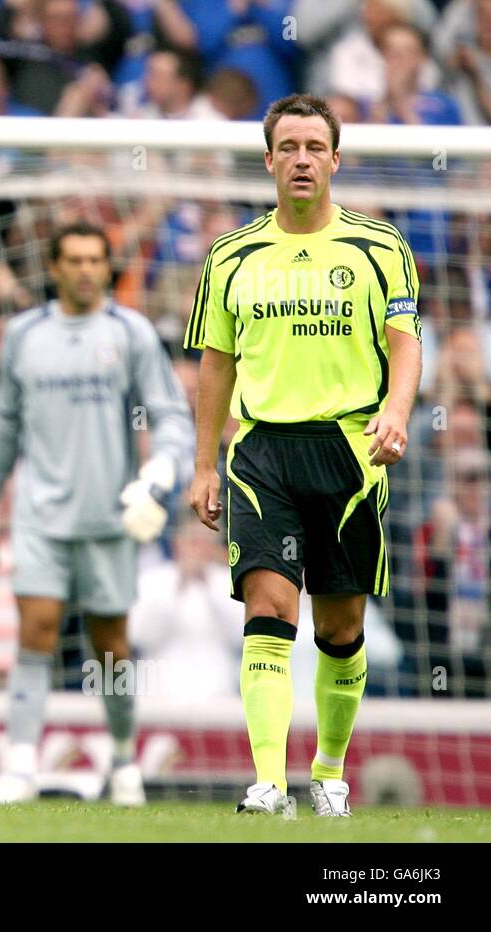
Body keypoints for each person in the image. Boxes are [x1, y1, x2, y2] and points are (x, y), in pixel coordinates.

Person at [184, 94, 423, 817]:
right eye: (288, 147)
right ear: (268, 160)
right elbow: (215, 365)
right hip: (261, 451)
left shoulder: (381, 248)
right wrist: (203, 464)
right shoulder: (232, 255)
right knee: (269, 607)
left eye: (314, 147)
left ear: (335, 161)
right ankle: (267, 782)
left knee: (340, 629)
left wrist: (398, 412)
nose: (301, 159)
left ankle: (328, 772)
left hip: (350, 453)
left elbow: (405, 343)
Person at [0, 221, 193, 805]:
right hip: (40, 515)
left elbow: (171, 417)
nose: (87, 269)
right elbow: (5, 422)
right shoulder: (25, 334)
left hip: (111, 518)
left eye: (96, 260)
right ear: (55, 268)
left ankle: (122, 758)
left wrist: (158, 478)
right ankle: (18, 766)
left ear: (106, 267)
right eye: (76, 260)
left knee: (110, 646)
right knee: (34, 632)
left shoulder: (131, 332)